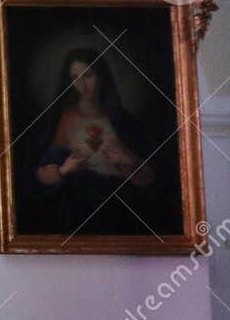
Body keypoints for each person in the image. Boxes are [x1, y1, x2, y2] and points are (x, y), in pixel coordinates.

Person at [28, 48, 167, 234]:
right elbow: (41, 173)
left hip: (122, 210)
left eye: (88, 76)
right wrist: (63, 170)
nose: (82, 85)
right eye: (75, 78)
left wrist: (130, 163)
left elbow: (150, 178)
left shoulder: (123, 120)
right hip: (78, 208)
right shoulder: (66, 118)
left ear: (102, 77)